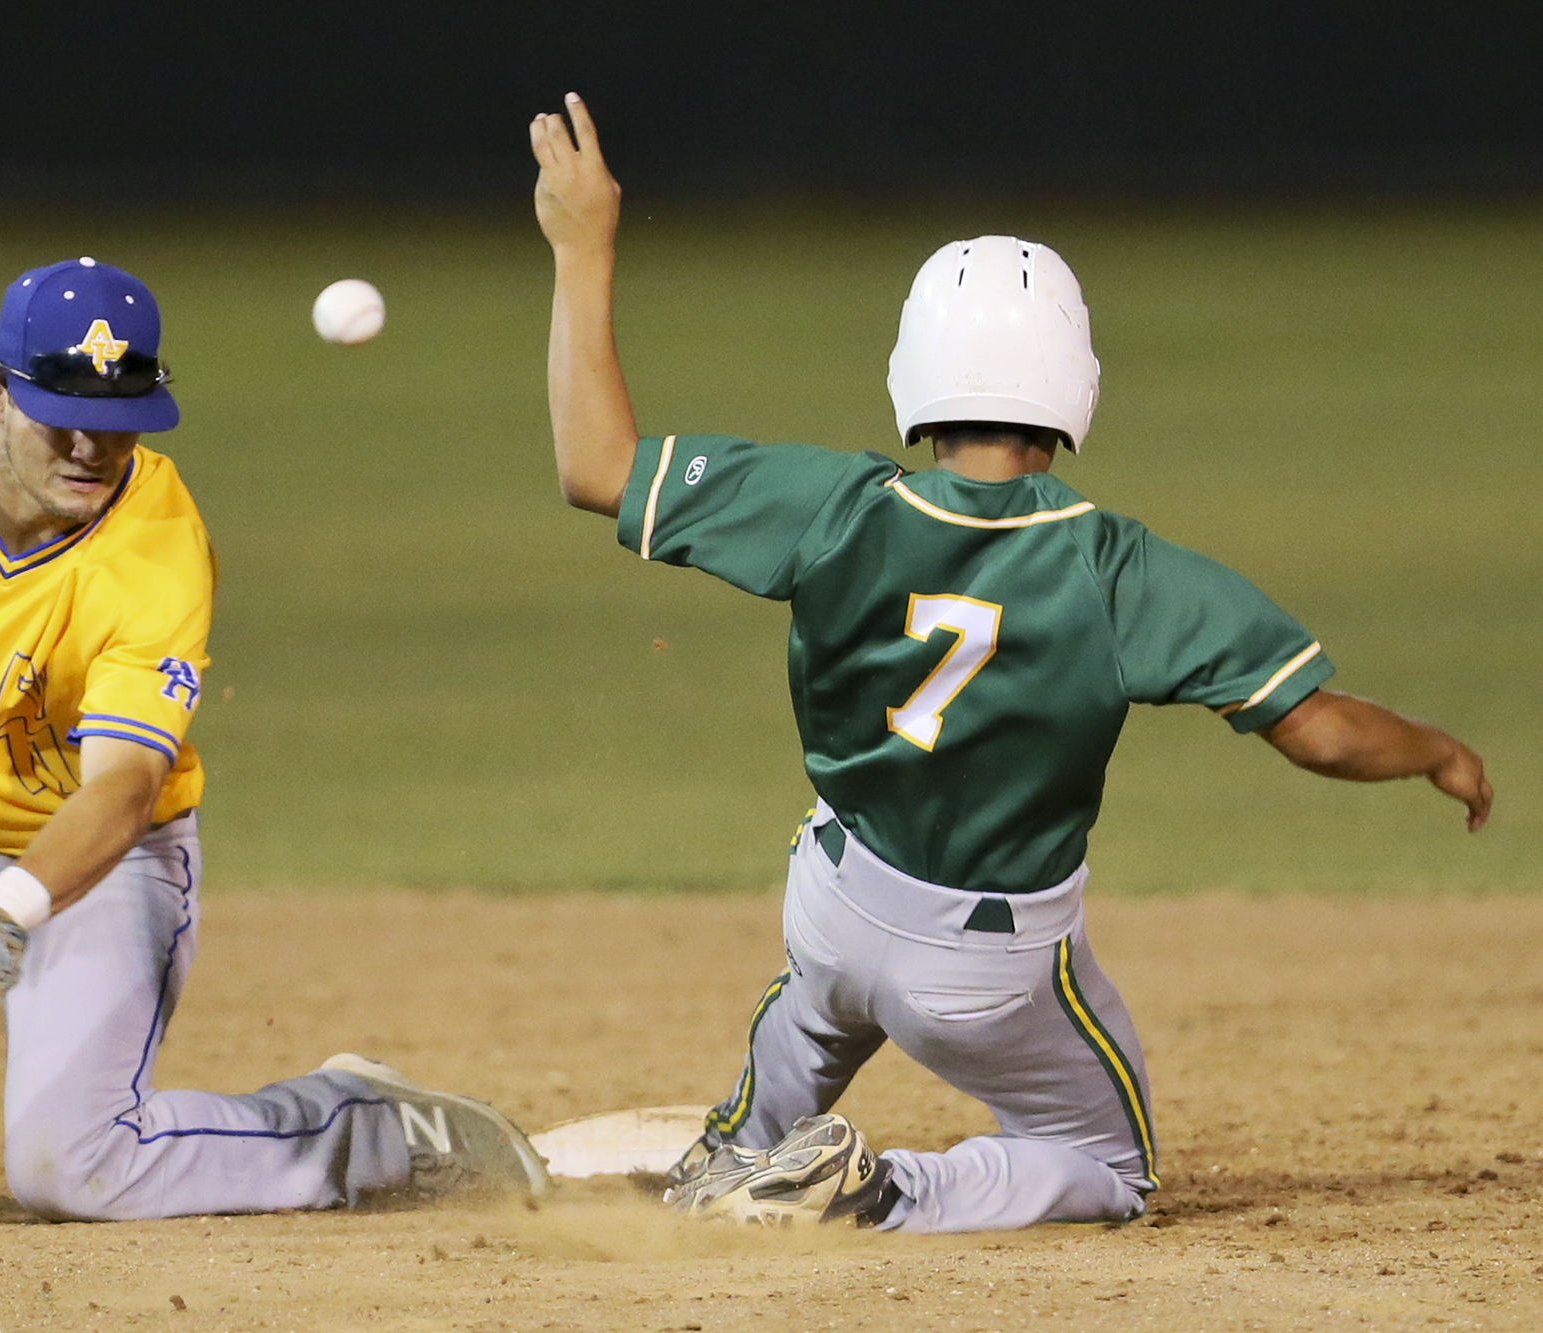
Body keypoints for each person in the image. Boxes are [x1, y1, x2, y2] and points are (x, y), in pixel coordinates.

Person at [528, 95, 1492, 1232]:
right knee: (1109, 1166)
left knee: (821, 1000)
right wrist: (1436, 751)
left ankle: (743, 1152)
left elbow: (597, 466)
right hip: (980, 974)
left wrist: (582, 245)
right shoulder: (1114, 568)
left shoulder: (833, 506)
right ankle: (879, 1189)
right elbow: (1318, 728)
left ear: (913, 373)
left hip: (830, 905)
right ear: (1070, 383)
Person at [0, 256, 547, 1218]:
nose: (90, 446)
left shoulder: (154, 547)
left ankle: (361, 1126)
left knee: (74, 1170)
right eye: (62, 413)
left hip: (108, 868)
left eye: (117, 419)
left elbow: (121, 790)